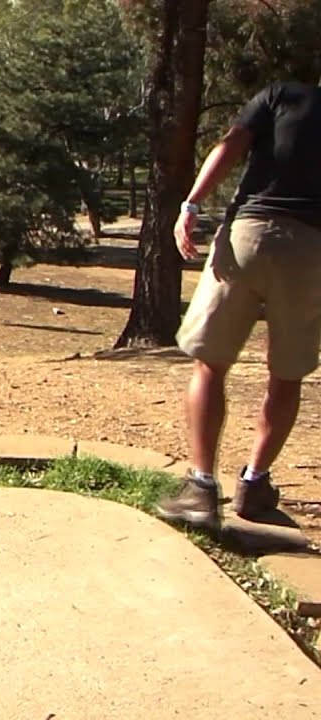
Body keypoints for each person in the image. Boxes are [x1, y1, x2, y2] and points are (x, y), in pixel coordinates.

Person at [157, 80, 321, 529]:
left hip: (248, 233)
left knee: (210, 364)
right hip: (310, 250)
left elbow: (229, 147)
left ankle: (201, 488)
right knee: (286, 375)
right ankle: (254, 484)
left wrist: (191, 205)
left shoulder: (282, 95)